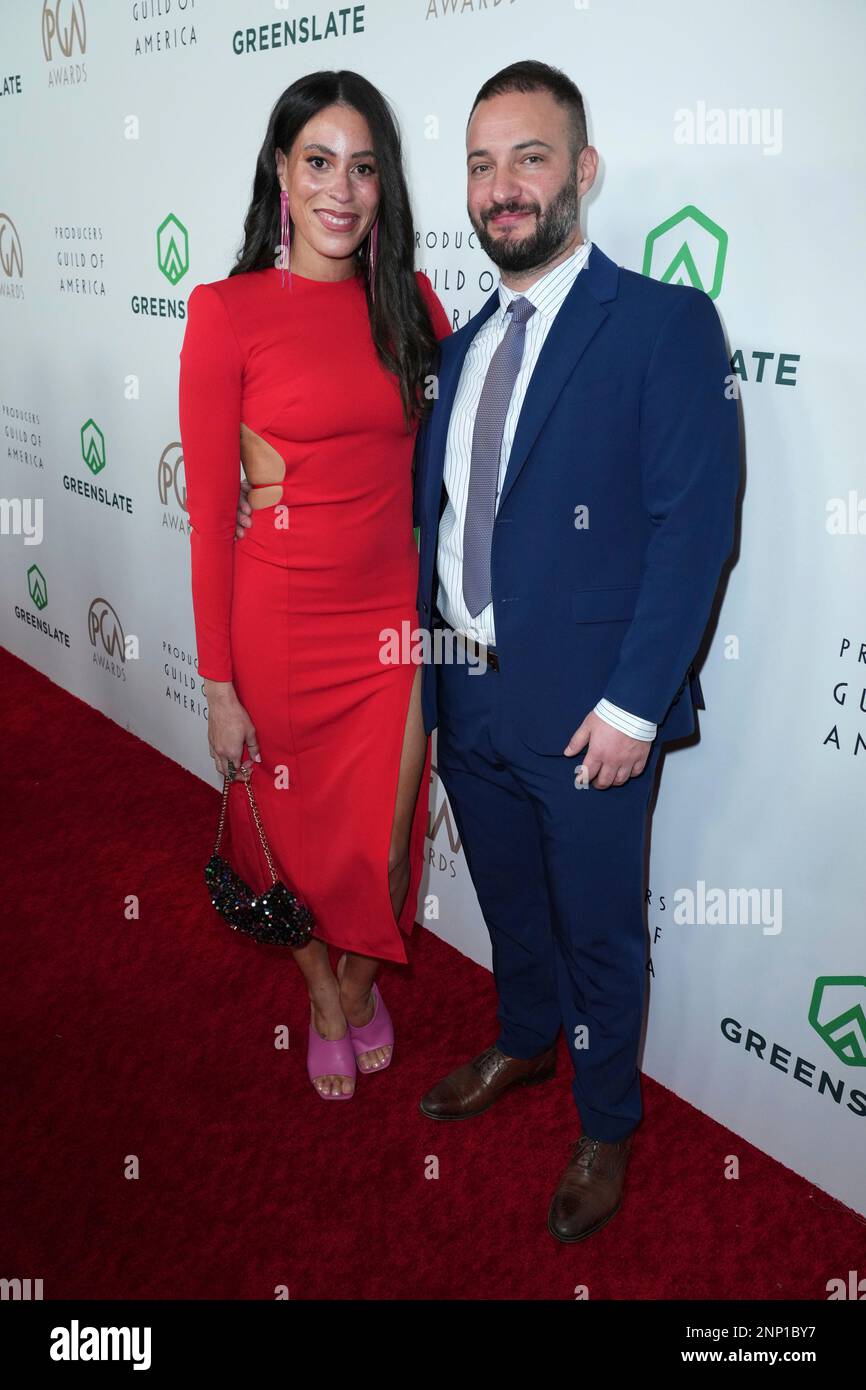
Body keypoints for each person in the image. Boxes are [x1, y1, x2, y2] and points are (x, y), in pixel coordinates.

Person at [179, 70, 451, 1102]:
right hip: (278, 624)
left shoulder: (412, 303)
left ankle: (356, 969)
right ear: (280, 174)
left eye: (364, 166)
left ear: (384, 184)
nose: (343, 189)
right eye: (319, 162)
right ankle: (328, 996)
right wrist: (215, 685)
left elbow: (446, 466)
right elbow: (211, 516)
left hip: (390, 627)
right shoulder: (226, 312)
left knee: (387, 844)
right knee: (283, 844)